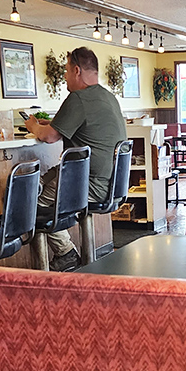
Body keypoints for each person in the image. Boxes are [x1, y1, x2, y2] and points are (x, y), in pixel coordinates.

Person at [24, 47, 127, 271]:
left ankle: (66, 253)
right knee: (40, 184)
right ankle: (68, 254)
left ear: (77, 70)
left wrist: (33, 125)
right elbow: (64, 127)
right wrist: (48, 125)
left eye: (66, 71)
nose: (65, 77)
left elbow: (49, 137)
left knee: (27, 201)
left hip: (88, 184)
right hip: (111, 184)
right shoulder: (108, 97)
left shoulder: (78, 98)